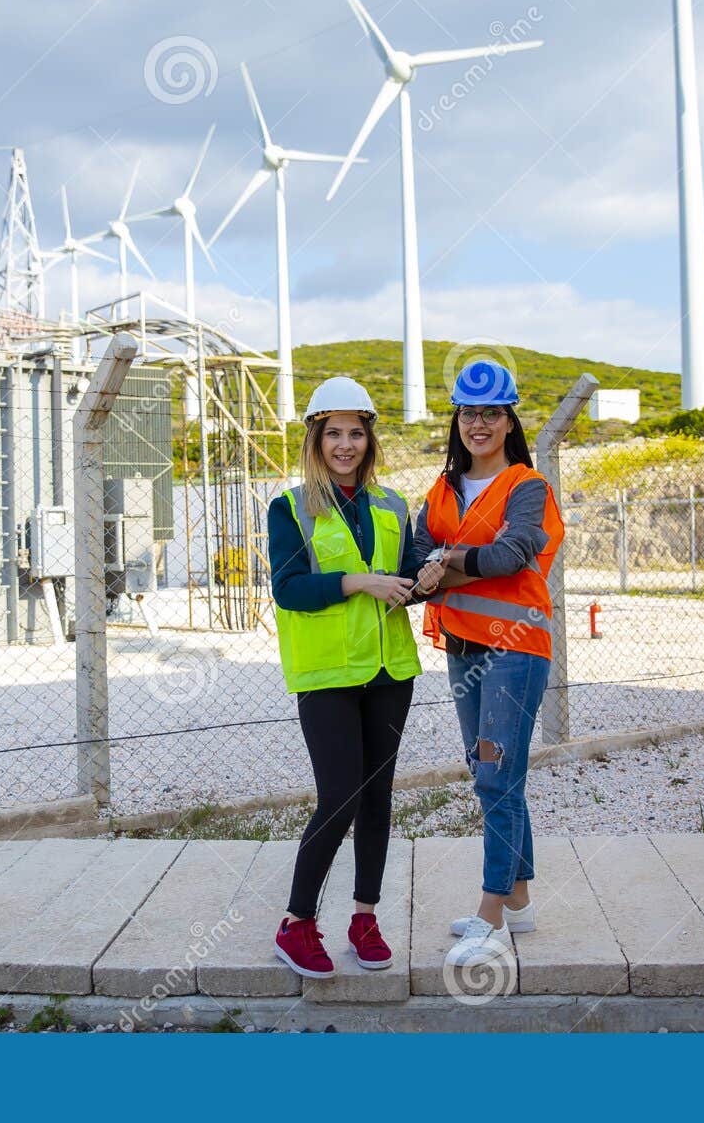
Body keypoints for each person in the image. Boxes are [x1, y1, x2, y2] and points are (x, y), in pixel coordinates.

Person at [268, 376, 425, 979]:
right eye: (333, 433)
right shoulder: (289, 507)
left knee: (378, 796)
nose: (345, 444)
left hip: (389, 670)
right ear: (315, 438)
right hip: (328, 672)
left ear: (369, 439)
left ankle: (364, 916)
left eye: (355, 433)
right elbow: (288, 589)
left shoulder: (391, 505)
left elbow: (404, 576)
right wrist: (363, 582)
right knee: (340, 795)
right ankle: (296, 923)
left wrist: (422, 583)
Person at [412, 361, 565, 969]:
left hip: (515, 648)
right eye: (470, 413)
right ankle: (520, 901)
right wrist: (437, 562)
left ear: (509, 420)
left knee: (498, 775)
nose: (479, 424)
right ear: (458, 418)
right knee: (488, 772)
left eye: (491, 414)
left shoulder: (527, 486)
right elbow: (417, 548)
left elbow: (511, 553)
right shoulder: (444, 488)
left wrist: (446, 560)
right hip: (463, 643)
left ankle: (491, 915)